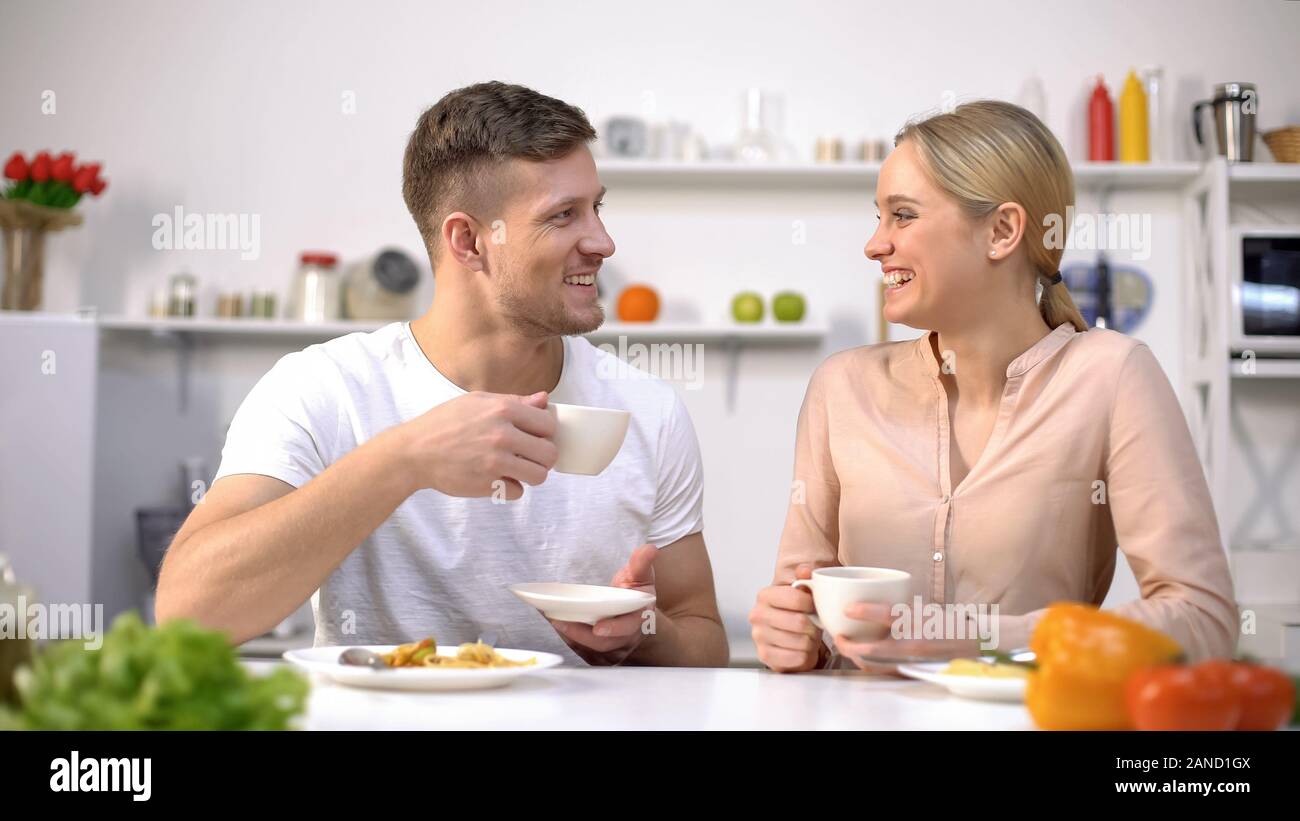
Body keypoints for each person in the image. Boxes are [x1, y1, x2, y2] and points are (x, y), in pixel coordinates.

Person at [156, 81, 728, 667]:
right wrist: (405, 460)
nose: (603, 243)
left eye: (596, 208)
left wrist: (643, 633)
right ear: (468, 240)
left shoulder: (648, 409)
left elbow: (703, 639)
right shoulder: (323, 389)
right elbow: (189, 614)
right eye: (563, 216)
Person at [750, 100, 1237, 672]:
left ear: (1002, 231)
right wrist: (790, 635)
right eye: (878, 217)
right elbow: (800, 605)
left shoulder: (1112, 376)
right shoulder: (841, 388)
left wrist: (975, 637)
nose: (874, 244)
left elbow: (1202, 621)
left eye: (902, 215)